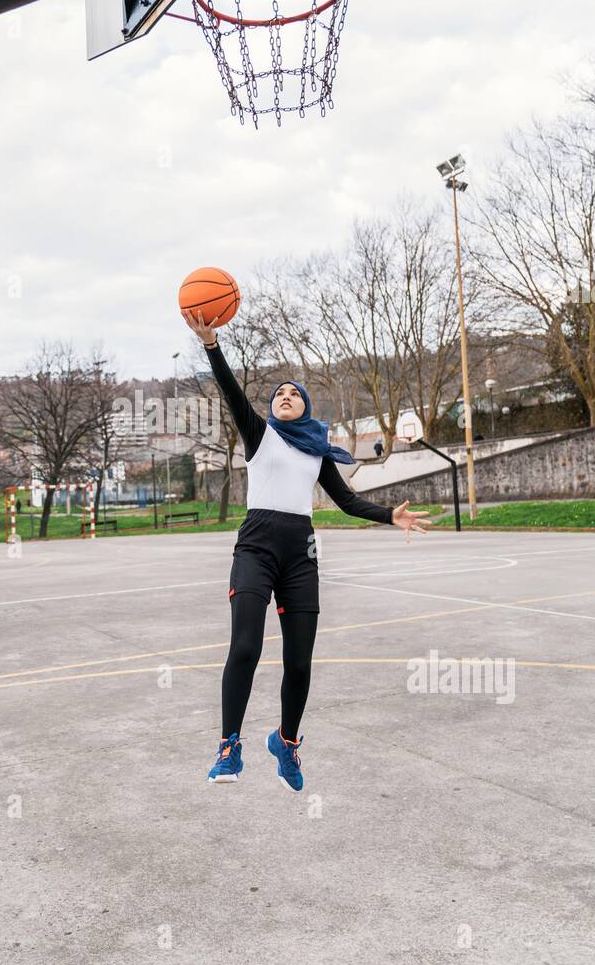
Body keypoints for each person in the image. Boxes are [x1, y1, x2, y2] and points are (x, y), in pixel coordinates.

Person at [183, 310, 432, 792]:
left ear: (307, 406)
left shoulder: (316, 449)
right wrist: (212, 346)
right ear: (271, 408)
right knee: (246, 647)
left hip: (302, 553)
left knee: (299, 662)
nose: (286, 395)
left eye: (295, 392)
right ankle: (229, 746)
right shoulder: (260, 435)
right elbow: (232, 393)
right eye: (279, 393)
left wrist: (390, 516)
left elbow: (346, 501)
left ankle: (286, 742)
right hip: (255, 548)